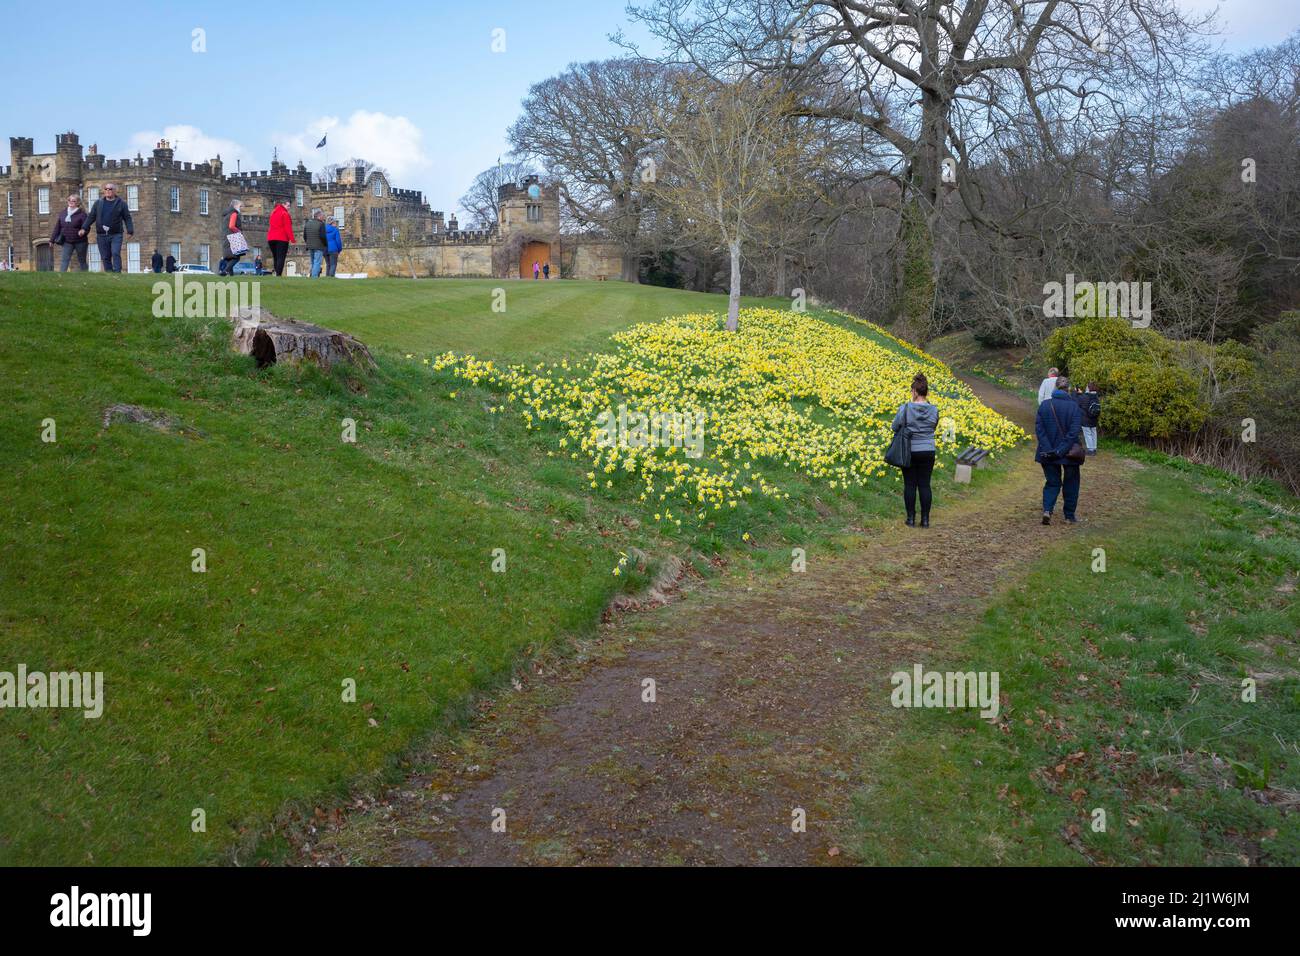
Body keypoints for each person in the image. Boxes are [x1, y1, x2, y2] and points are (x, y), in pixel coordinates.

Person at [892, 373, 940, 528]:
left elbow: (895, 427)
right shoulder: (934, 410)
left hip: (910, 450)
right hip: (928, 450)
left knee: (910, 485)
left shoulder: (905, 408)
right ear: (926, 392)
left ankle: (911, 519)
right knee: (925, 485)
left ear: (914, 391)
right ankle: (925, 520)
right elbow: (933, 427)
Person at [1035, 373, 1084, 525]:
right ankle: (1069, 516)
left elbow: (1039, 429)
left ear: (1055, 387)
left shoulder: (1044, 405)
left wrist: (1050, 450)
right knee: (1071, 483)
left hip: (1047, 452)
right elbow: (1073, 432)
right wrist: (1060, 451)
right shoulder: (1074, 407)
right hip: (1069, 452)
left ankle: (1047, 510)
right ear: (1068, 388)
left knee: (1052, 482)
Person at [80, 183, 133, 272]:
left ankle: (117, 272)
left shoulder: (121, 203)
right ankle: (109, 273)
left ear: (115, 191)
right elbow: (91, 216)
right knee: (105, 256)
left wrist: (130, 230)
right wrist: (84, 228)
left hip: (116, 234)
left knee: (115, 253)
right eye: (106, 189)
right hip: (101, 235)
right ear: (104, 191)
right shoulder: (98, 203)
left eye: (110, 189)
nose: (108, 191)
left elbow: (127, 217)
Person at [51, 194, 88, 272]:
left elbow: (86, 227)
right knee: (64, 260)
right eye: (69, 200)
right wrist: (52, 240)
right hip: (67, 241)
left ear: (77, 203)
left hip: (80, 241)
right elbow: (57, 227)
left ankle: (86, 275)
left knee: (82, 260)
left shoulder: (82, 214)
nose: (71, 202)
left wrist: (83, 231)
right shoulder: (63, 213)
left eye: (73, 201)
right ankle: (61, 276)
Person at [266, 198, 294, 276]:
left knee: (275, 257)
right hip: (281, 238)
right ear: (283, 204)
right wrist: (292, 239)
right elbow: (288, 227)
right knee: (281, 257)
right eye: (288, 206)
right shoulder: (285, 214)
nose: (289, 207)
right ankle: (278, 274)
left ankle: (276, 273)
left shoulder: (273, 213)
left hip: (271, 238)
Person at [218, 199, 246, 276]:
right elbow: (231, 226)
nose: (241, 208)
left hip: (226, 237)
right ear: (235, 206)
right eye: (240, 206)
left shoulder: (226, 215)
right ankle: (225, 271)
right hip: (233, 237)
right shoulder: (234, 214)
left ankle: (231, 276)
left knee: (229, 257)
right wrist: (239, 231)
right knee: (236, 257)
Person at [1075, 383, 1101, 456]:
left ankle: (1090, 449)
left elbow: (1077, 403)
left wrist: (1078, 394)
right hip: (1094, 418)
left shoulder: (1084, 397)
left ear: (1088, 389)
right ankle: (1094, 448)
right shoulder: (1096, 397)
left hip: (1085, 418)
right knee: (1093, 432)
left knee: (1087, 433)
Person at [304, 209, 328, 278]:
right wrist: (325, 245)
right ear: (319, 216)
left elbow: (305, 236)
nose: (323, 217)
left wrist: (308, 242)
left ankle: (311, 275)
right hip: (319, 246)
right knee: (317, 262)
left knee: (312, 262)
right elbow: (323, 236)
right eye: (323, 216)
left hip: (310, 246)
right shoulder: (321, 224)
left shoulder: (307, 223)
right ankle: (314, 277)